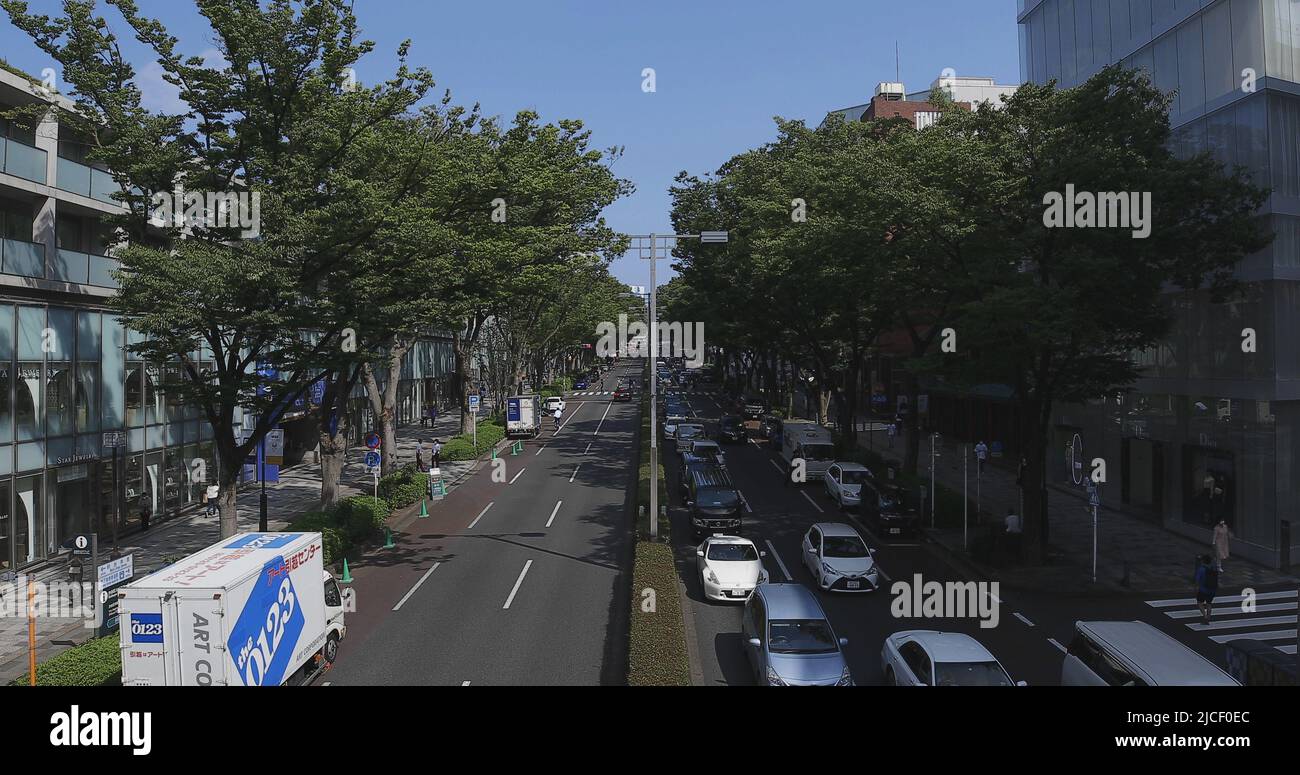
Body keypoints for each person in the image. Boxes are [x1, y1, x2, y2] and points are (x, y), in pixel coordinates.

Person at [1194, 554, 1218, 624]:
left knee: (1199, 602)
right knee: (1209, 604)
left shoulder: (1201, 569)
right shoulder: (1213, 568)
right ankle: (1208, 617)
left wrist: (1195, 588)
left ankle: (1205, 616)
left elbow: (1197, 580)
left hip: (1203, 590)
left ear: (1203, 561)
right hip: (1212, 589)